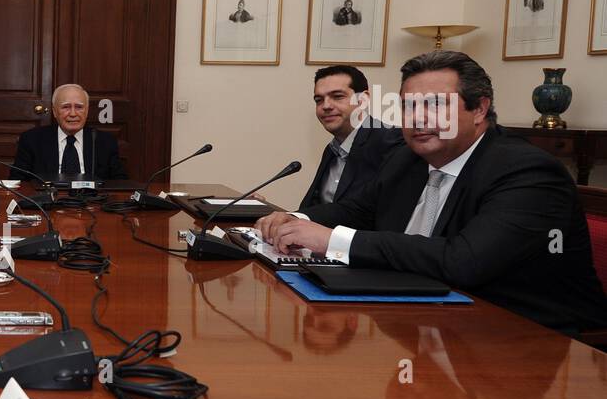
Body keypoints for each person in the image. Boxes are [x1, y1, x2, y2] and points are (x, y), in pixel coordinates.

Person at [255, 50, 607, 338]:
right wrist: (296, 220)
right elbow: (355, 211)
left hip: (522, 341)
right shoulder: (406, 160)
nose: (418, 119)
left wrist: (332, 240)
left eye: (436, 105)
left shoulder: (528, 172)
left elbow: (463, 261)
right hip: (425, 322)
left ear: (480, 109)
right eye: (408, 106)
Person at [298, 65, 402, 210]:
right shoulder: (332, 149)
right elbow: (315, 207)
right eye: (319, 100)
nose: (326, 106)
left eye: (338, 96)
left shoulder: (391, 142)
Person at [11, 83, 127, 181]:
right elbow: (18, 182)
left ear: (87, 111)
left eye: (79, 107)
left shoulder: (104, 141)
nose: (73, 114)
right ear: (55, 112)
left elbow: (120, 182)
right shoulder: (32, 140)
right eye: (66, 107)